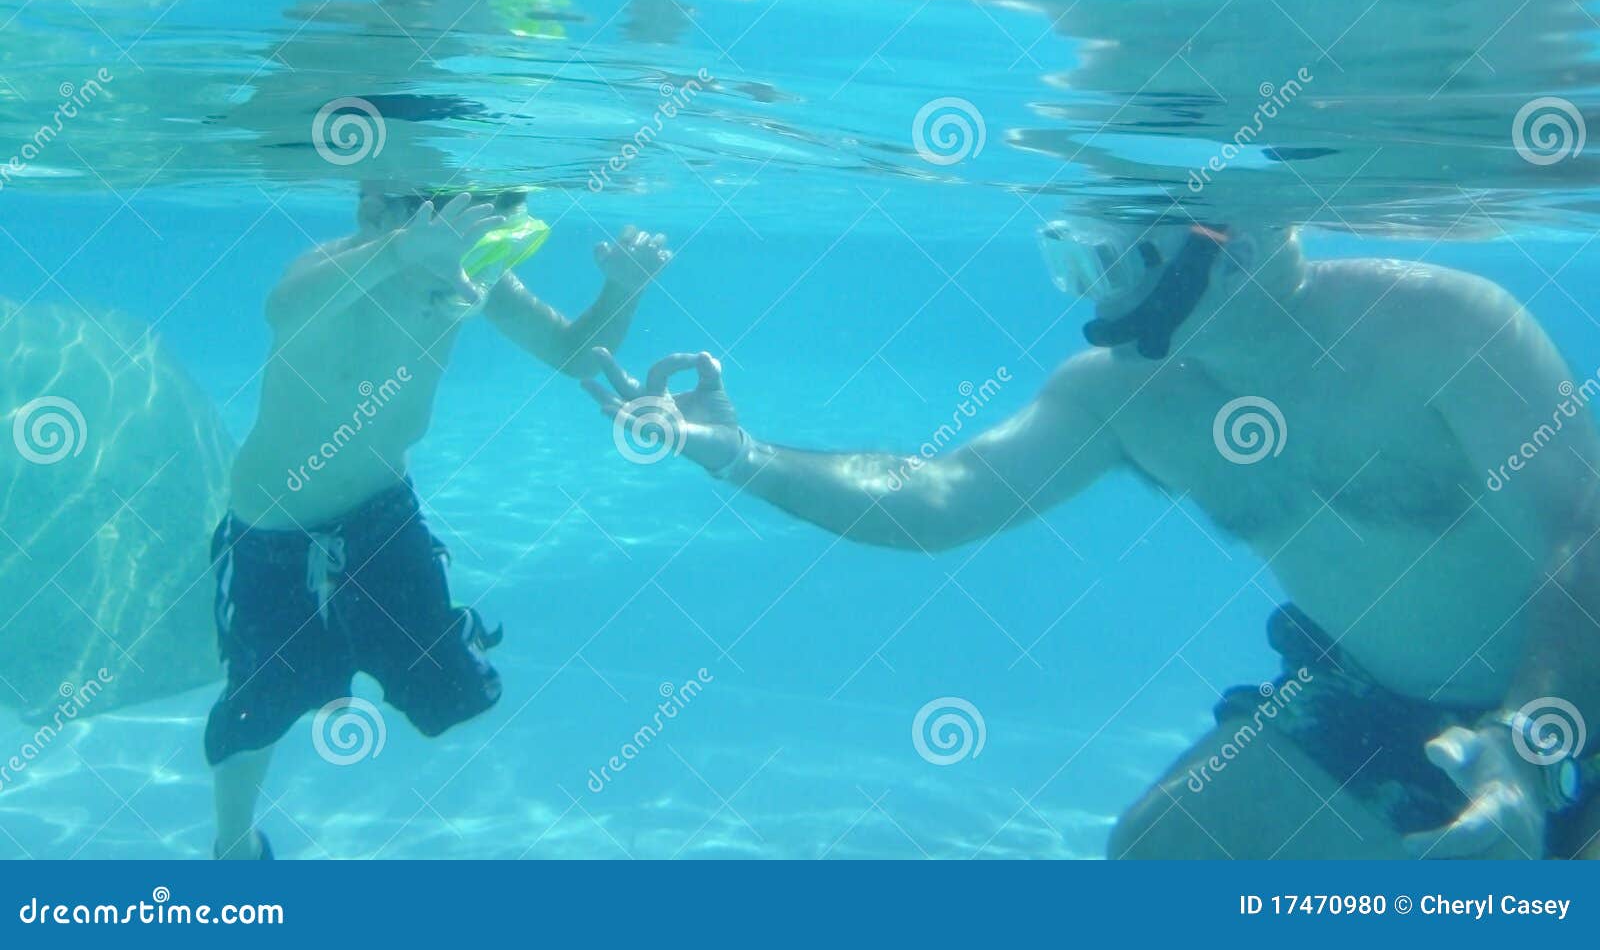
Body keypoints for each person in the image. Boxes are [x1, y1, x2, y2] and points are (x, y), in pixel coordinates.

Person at [586, 217, 1600, 859]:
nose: (1099, 294)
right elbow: (939, 496)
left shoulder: (1436, 327)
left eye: (1119, 257)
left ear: (1231, 244)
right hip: (1369, 688)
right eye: (1076, 261)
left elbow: (1580, 534)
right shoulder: (1127, 398)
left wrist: (1525, 748)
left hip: (1578, 686)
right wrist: (739, 454)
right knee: (1165, 856)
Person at [209, 187, 670, 859]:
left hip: (383, 514)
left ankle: (360, 642)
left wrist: (622, 290)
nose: (470, 260)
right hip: (274, 532)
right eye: (457, 237)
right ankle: (233, 845)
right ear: (379, 218)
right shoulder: (333, 270)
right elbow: (284, 307)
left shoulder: (471, 275)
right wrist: (397, 252)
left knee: (448, 692)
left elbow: (574, 353)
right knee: (262, 706)